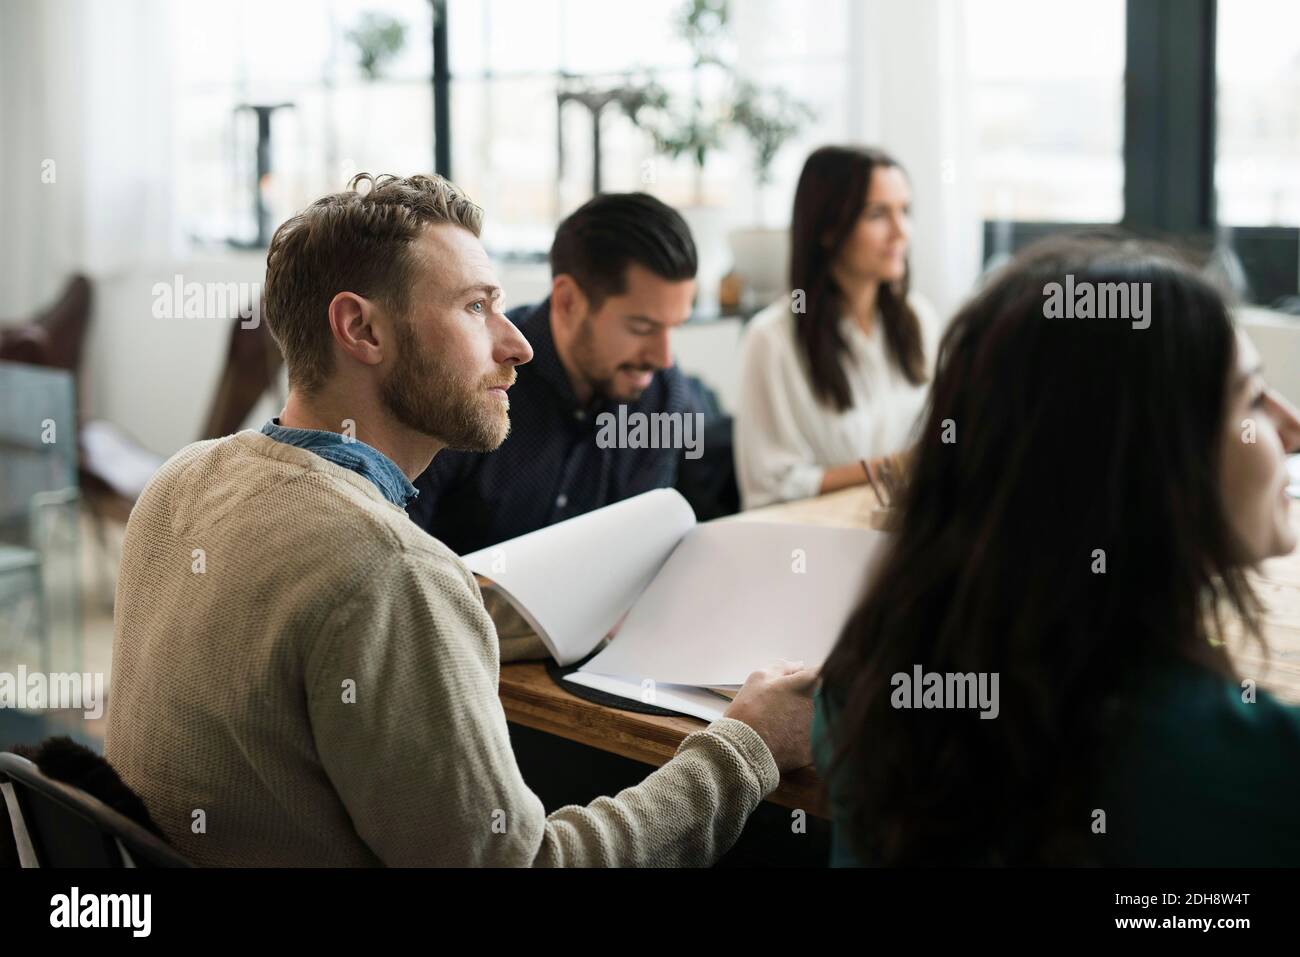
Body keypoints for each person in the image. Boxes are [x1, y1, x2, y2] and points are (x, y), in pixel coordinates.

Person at [106, 173, 816, 866]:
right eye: (476, 307)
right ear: (361, 328)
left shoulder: (180, 478)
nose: (518, 345)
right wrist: (745, 743)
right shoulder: (392, 572)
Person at [815, 235, 1300, 866]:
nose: (1289, 425)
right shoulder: (1253, 765)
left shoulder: (861, 688)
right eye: (1250, 398)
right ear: (1143, 464)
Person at [407, 192, 700, 555]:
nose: (663, 357)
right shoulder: (473, 378)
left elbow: (649, 551)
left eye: (675, 327)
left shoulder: (663, 397)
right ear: (568, 301)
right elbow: (403, 555)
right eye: (642, 327)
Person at [734, 145, 943, 510]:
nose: (901, 231)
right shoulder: (771, 340)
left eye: (904, 211)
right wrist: (892, 468)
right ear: (828, 229)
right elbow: (771, 487)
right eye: (878, 214)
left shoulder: (920, 320)